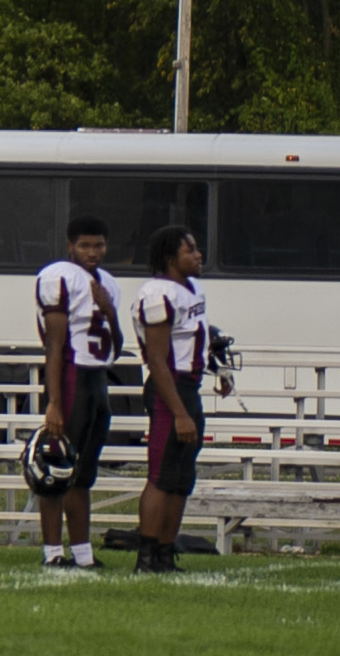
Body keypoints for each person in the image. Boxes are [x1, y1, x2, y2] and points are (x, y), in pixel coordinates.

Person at [32, 214, 122, 573]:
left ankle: (83, 554)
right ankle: (53, 552)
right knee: (57, 469)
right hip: (70, 375)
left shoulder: (108, 283)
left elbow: (118, 346)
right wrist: (54, 402)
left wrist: (109, 310)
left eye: (98, 245)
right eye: (84, 245)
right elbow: (54, 345)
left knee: (84, 473)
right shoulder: (59, 276)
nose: (92, 252)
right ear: (70, 246)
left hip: (97, 379)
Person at [131, 226, 211, 576]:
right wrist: (179, 412)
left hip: (189, 386)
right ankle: (146, 557)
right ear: (170, 258)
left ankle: (165, 552)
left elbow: (192, 338)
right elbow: (157, 359)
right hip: (170, 389)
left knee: (181, 478)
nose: (197, 255)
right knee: (161, 475)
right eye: (189, 250)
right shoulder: (156, 293)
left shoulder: (192, 288)